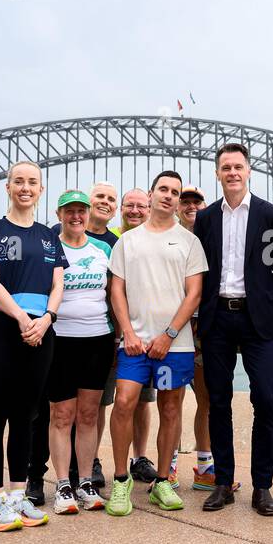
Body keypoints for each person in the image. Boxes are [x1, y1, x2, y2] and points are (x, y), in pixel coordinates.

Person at [193, 143, 273, 515]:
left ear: (248, 171)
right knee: (218, 401)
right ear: (218, 173)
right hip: (217, 318)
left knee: (264, 399)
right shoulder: (205, 219)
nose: (232, 173)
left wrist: (263, 298)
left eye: (238, 167)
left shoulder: (271, 214)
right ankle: (223, 482)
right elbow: (200, 270)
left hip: (256, 319)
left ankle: (262, 486)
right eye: (225, 168)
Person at [106, 171, 207, 515]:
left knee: (170, 408)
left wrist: (170, 335)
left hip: (174, 346)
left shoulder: (189, 242)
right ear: (151, 195)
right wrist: (128, 333)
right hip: (134, 344)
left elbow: (194, 293)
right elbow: (116, 288)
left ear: (179, 200)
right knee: (125, 402)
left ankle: (162, 480)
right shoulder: (127, 241)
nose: (168, 196)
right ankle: (122, 480)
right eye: (162, 189)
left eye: (175, 192)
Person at [0, 161, 63, 532]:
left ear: (41, 190)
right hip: (0, 328)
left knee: (27, 417)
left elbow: (57, 284)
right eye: (19, 182)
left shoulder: (49, 236)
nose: (26, 187)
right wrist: (23, 319)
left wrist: (47, 319)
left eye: (33, 182)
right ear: (7, 187)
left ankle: (18, 495)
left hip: (41, 332)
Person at [26, 180, 119, 504]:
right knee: (62, 414)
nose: (76, 216)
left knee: (89, 415)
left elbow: (114, 294)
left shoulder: (103, 250)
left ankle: (85, 484)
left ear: (87, 213)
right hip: (60, 339)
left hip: (98, 339)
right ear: (59, 214)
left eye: (81, 210)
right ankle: (63, 484)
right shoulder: (49, 247)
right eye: (70, 211)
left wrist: (120, 336)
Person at [177, 185, 230, 490]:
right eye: (185, 202)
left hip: (204, 327)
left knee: (206, 399)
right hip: (173, 327)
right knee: (171, 399)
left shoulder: (215, 236)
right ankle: (167, 467)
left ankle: (204, 468)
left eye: (196, 201)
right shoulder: (167, 236)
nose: (191, 206)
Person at [105, 187, 158, 485]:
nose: (135, 211)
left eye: (141, 206)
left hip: (145, 337)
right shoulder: (111, 239)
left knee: (143, 401)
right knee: (105, 400)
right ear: (120, 209)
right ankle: (103, 463)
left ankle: (139, 458)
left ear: (149, 208)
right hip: (108, 335)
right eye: (129, 205)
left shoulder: (156, 238)